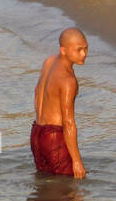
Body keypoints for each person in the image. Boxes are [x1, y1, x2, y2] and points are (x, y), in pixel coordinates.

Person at [31, 27, 89, 178]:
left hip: (37, 133)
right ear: (63, 50)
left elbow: (37, 93)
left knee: (46, 183)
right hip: (54, 138)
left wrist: (43, 125)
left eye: (85, 48)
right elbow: (68, 122)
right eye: (78, 50)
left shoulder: (49, 62)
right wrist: (77, 161)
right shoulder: (68, 81)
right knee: (67, 188)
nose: (84, 54)